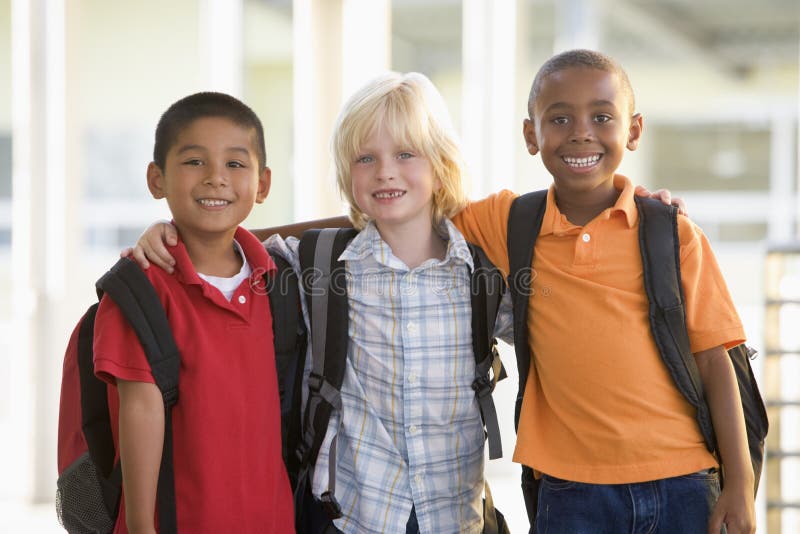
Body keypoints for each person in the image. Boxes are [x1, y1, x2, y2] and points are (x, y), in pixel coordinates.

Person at [128, 73, 514, 533]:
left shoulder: (483, 275)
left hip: (456, 517)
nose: (385, 171)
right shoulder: (314, 264)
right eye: (365, 158)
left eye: (405, 154)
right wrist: (167, 233)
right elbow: (219, 238)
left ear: (440, 163)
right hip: (349, 515)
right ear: (347, 175)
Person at [451, 49, 755, 533]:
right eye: (560, 118)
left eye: (601, 116)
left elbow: (716, 363)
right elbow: (402, 217)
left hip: (684, 481)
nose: (580, 132)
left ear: (633, 130)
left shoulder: (672, 234)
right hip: (570, 494)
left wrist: (740, 486)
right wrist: (294, 238)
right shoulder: (510, 222)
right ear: (531, 134)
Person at [93, 92, 294, 533]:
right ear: (156, 178)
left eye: (235, 165)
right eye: (194, 162)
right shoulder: (140, 288)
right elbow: (140, 414)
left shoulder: (278, 278)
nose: (216, 179)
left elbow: (363, 226)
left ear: (262, 185)